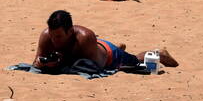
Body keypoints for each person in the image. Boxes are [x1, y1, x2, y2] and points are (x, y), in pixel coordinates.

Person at [33, 9, 177, 74]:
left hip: (108, 56)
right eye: (52, 36)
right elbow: (35, 62)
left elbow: (94, 67)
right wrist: (41, 63)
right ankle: (119, 47)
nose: (54, 40)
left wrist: (60, 62)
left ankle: (160, 54)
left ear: (70, 31)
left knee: (135, 60)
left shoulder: (85, 36)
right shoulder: (46, 36)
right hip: (94, 49)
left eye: (58, 37)